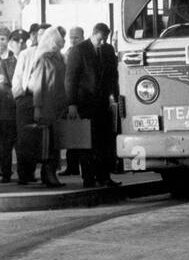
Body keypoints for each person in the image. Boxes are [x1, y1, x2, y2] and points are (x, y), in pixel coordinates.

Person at [67, 22, 121, 187]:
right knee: (87, 143)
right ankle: (89, 178)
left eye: (105, 39)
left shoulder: (108, 50)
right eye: (100, 39)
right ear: (94, 34)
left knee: (104, 142)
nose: (102, 42)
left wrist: (115, 97)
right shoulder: (79, 50)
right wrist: (72, 103)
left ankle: (104, 176)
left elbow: (113, 75)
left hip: (103, 103)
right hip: (85, 103)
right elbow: (71, 78)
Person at [26, 27, 69, 188]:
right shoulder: (44, 59)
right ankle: (49, 174)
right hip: (47, 107)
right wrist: (37, 107)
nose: (63, 40)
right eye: (61, 37)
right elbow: (38, 85)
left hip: (58, 106)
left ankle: (48, 173)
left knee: (55, 142)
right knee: (49, 143)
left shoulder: (60, 58)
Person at [11, 22, 50, 186]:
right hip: (27, 99)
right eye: (39, 34)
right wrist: (21, 97)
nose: (42, 37)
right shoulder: (26, 54)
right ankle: (24, 174)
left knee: (40, 139)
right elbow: (18, 78)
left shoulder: (53, 54)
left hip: (46, 100)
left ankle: (35, 172)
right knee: (25, 138)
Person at [0, 26, 18, 182]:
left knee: (8, 140)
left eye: (3, 39)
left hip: (10, 104)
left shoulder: (14, 57)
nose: (0, 42)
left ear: (8, 40)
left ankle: (7, 172)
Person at [60, 27, 86, 175]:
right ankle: (72, 166)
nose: (73, 40)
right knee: (72, 135)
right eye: (71, 37)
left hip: (82, 98)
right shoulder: (68, 54)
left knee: (82, 136)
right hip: (70, 99)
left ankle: (80, 167)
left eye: (76, 37)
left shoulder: (84, 51)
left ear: (83, 36)